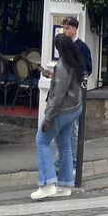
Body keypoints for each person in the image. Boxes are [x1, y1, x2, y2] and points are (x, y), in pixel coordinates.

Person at [31, 33, 84, 201]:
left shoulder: (62, 65)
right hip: (75, 108)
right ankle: (65, 183)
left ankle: (47, 184)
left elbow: (58, 95)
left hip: (62, 110)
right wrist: (53, 75)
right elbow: (67, 83)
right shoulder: (74, 62)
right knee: (65, 145)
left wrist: (48, 118)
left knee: (41, 141)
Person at [60, 16, 92, 169]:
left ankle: (72, 163)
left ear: (74, 29)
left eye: (66, 28)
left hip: (74, 91)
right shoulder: (64, 46)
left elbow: (87, 69)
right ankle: (64, 162)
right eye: (63, 28)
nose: (64, 31)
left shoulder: (82, 47)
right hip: (63, 91)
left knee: (73, 129)